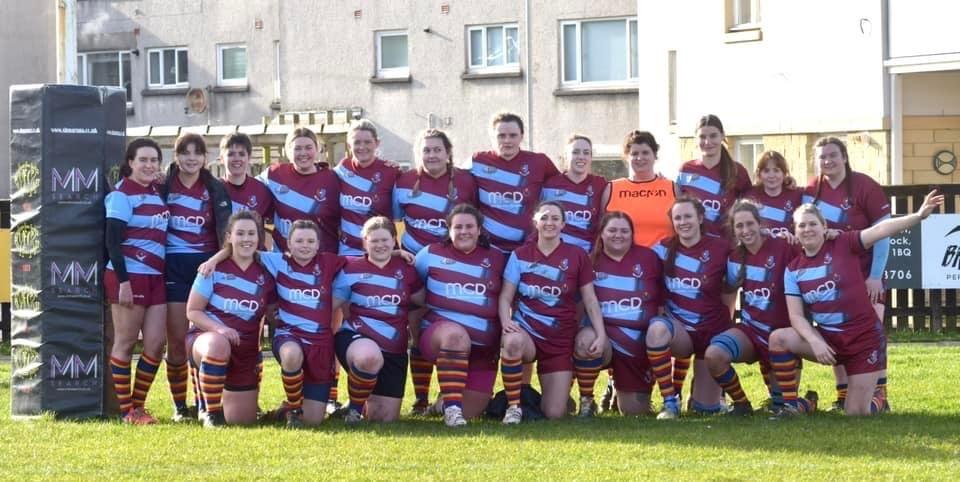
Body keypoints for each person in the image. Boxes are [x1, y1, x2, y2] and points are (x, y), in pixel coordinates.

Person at [769, 190, 942, 416]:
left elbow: (879, 230)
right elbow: (796, 317)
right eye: (801, 226)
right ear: (795, 230)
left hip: (863, 340)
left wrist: (918, 216)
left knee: (856, 414)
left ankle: (877, 399)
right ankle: (792, 404)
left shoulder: (844, 243)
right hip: (829, 340)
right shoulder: (793, 270)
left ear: (823, 227)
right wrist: (815, 341)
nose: (807, 229)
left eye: (812, 224)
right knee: (779, 338)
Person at [198, 220, 345, 427]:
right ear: (288, 245)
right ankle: (293, 410)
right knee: (291, 355)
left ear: (318, 244)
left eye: (311, 241)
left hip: (320, 344)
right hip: (289, 337)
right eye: (299, 240)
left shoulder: (329, 262)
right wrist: (214, 259)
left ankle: (284, 411)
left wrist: (394, 253)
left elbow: (366, 260)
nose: (305, 245)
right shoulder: (276, 261)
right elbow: (240, 249)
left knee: (313, 421)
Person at [802, 137, 892, 411]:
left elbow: (883, 234)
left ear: (844, 157)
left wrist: (875, 276)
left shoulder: (865, 186)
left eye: (833, 155)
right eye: (822, 157)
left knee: (872, 335)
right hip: (830, 280)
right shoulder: (810, 191)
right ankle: (843, 395)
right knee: (836, 333)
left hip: (865, 277)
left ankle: (881, 394)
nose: (827, 161)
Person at [704, 200, 816, 417]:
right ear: (733, 230)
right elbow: (727, 291)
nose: (745, 231)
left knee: (782, 406)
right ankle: (742, 405)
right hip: (751, 331)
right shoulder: (734, 257)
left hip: (783, 336)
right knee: (714, 354)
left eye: (750, 224)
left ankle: (808, 402)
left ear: (760, 224)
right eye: (739, 226)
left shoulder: (784, 246)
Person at [498, 201, 607, 423]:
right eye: (545, 217)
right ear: (535, 222)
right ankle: (513, 407)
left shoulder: (577, 255)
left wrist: (601, 334)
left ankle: (556, 399)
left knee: (554, 414)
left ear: (563, 224)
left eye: (555, 218)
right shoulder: (520, 255)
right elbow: (505, 297)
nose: (550, 222)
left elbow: (590, 299)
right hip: (527, 333)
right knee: (511, 342)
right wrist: (505, 323)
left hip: (559, 340)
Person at [159, 132, 232, 422]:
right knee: (176, 341)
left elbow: (229, 237)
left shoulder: (215, 188)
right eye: (184, 152)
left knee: (203, 337)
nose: (191, 158)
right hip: (172, 269)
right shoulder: (162, 186)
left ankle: (205, 403)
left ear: (205, 158)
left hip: (207, 270)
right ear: (175, 156)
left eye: (197, 153)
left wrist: (214, 261)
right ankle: (180, 406)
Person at [413, 204, 506, 426]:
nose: (464, 231)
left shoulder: (498, 258)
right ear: (449, 229)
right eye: (458, 227)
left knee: (473, 411)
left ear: (479, 229)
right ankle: (452, 410)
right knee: (456, 335)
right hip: (441, 336)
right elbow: (413, 298)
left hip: (483, 349)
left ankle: (442, 404)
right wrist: (416, 340)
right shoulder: (430, 254)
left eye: (469, 226)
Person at [185, 211, 276, 428]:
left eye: (252, 234)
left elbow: (273, 311)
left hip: (245, 351)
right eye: (240, 233)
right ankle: (210, 412)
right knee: (217, 346)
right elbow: (193, 311)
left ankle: (217, 393)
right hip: (209, 339)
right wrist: (221, 329)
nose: (246, 239)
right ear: (229, 237)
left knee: (242, 421)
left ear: (259, 238)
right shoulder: (212, 269)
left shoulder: (267, 271)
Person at [648, 196, 735, 419]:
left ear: (700, 218)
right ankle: (670, 402)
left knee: (705, 410)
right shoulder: (661, 250)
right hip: (680, 332)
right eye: (677, 218)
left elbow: (749, 261)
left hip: (711, 332)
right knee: (656, 329)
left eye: (688, 216)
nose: (683, 222)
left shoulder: (722, 248)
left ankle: (708, 397)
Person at [333, 217, 425, 423]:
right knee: (369, 357)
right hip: (356, 340)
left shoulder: (407, 269)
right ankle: (354, 412)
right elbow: (331, 303)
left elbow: (425, 299)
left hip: (394, 350)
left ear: (394, 240)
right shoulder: (350, 267)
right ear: (365, 242)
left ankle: (359, 402)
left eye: (385, 240)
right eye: (374, 241)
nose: (380, 245)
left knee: (384, 419)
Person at [105, 138, 170, 425]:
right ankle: (127, 412)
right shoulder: (121, 195)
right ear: (130, 162)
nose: (148, 165)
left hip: (156, 277)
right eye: (142, 160)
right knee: (125, 342)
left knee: (155, 344)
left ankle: (139, 407)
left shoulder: (156, 191)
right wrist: (124, 282)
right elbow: (112, 242)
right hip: (128, 276)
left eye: (154, 160)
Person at [576, 212, 663, 415]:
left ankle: (616, 386)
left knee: (634, 412)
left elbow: (661, 298)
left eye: (624, 231)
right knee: (585, 340)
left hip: (636, 344)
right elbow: (581, 305)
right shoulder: (589, 261)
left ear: (632, 234)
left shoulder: (649, 258)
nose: (618, 235)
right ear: (602, 234)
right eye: (612, 230)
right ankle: (587, 401)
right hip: (603, 338)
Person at [471, 112, 561, 253]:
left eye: (513, 135)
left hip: (528, 250)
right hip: (487, 249)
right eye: (501, 136)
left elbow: (563, 188)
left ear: (522, 136)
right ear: (491, 137)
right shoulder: (476, 161)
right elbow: (452, 178)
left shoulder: (540, 162)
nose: (507, 141)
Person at [393, 128, 478, 254]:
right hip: (411, 258)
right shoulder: (403, 182)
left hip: (452, 260)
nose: (432, 155)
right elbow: (396, 221)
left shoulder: (467, 180)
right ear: (419, 154)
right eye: (426, 151)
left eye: (437, 150)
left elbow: (476, 221)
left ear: (448, 153)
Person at [258, 127, 340, 254]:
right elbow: (248, 190)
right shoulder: (273, 175)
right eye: (297, 148)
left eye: (308, 147)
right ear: (288, 151)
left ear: (317, 149)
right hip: (285, 262)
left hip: (323, 261)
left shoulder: (332, 178)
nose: (303, 153)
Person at [676, 115, 751, 237]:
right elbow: (676, 209)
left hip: (726, 246)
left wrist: (786, 183)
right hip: (693, 246)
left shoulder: (737, 171)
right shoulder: (685, 170)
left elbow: (754, 205)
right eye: (702, 137)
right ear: (695, 138)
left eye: (713, 136)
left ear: (722, 136)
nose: (707, 142)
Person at [335, 119, 401, 256]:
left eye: (367, 142)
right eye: (357, 142)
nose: (362, 147)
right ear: (349, 145)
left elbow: (397, 217)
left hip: (381, 253)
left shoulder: (392, 172)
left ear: (377, 143)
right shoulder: (340, 171)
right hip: (348, 252)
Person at [604, 130, 677, 249]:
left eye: (645, 153)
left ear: (655, 155)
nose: (640, 157)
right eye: (634, 153)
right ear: (626, 157)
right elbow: (600, 230)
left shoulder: (672, 188)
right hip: (624, 262)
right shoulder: (611, 189)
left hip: (663, 263)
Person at [539, 134, 610, 252]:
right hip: (555, 254)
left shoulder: (600, 185)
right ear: (566, 155)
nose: (581, 157)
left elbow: (604, 222)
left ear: (591, 157)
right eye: (575, 152)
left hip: (587, 257)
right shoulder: (550, 184)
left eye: (586, 153)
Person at [742, 150, 803, 238]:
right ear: (759, 174)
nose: (771, 175)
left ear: (784, 173)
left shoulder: (797, 194)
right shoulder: (750, 195)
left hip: (788, 250)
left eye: (776, 170)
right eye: (766, 171)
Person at [219, 131, 274, 226]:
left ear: (249, 158)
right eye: (231, 154)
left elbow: (269, 226)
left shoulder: (261, 190)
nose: (237, 158)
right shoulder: (213, 189)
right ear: (222, 159)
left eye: (241, 154)